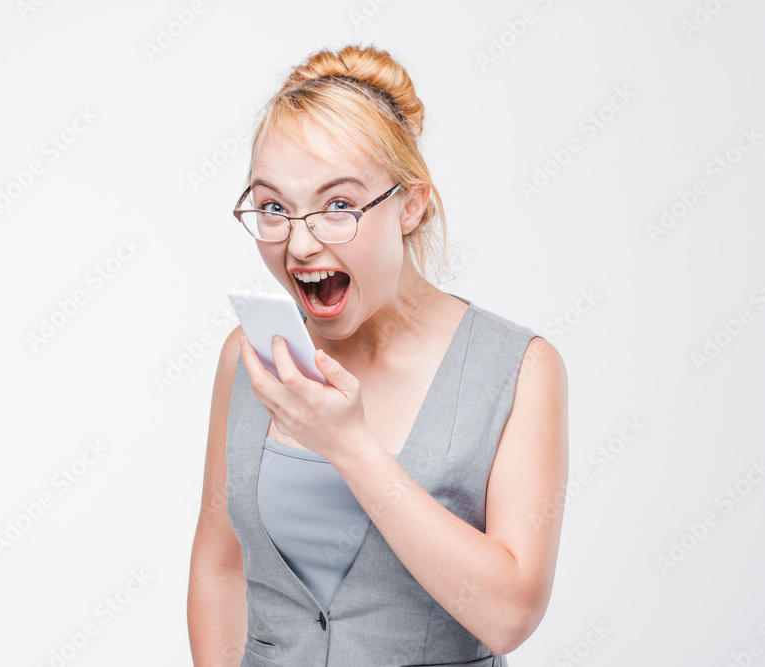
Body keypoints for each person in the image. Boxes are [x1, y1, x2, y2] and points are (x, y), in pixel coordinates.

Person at [188, 44, 568, 666]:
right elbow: (220, 562)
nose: (300, 244)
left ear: (411, 204)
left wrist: (349, 446)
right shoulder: (251, 355)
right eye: (275, 207)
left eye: (339, 205)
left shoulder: (521, 368)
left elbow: (510, 614)